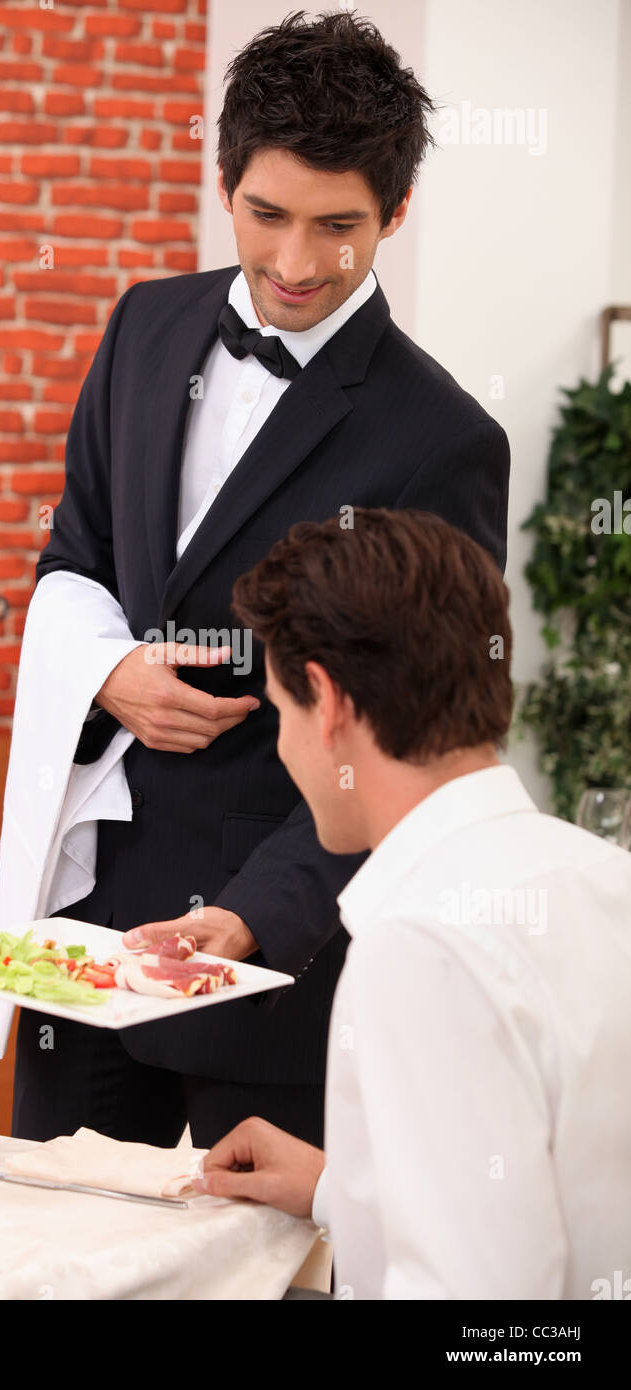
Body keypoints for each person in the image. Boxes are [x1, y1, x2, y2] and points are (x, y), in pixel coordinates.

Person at [8, 11, 510, 1149]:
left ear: (395, 212)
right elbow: (73, 556)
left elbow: (410, 731)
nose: (292, 265)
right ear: (222, 177)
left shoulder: (443, 438)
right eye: (264, 215)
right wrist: (108, 672)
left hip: (274, 953)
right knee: (49, 1252)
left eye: (336, 228)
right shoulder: (143, 324)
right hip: (82, 920)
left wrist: (251, 916)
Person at [193, 508, 631, 1300]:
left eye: (281, 713)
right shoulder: (602, 878)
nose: (287, 747)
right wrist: (344, 1190)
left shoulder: (422, 944)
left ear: (326, 703)